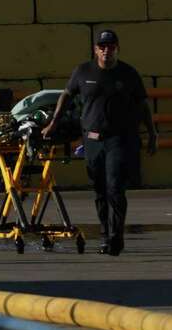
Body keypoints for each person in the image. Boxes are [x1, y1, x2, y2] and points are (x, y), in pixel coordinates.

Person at [43, 29, 157, 256]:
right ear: (96, 49)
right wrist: (53, 123)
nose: (107, 51)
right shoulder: (83, 71)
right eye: (102, 47)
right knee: (100, 189)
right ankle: (105, 232)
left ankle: (116, 237)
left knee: (115, 187)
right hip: (93, 139)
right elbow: (67, 95)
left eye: (111, 46)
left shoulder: (128, 74)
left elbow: (143, 105)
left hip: (120, 139)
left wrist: (152, 133)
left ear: (117, 48)